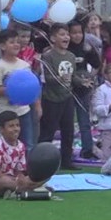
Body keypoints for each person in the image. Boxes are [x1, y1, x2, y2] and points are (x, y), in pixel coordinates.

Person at [0, 29, 40, 151]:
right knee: (8, 145)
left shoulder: (24, 65)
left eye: (17, 42)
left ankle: (26, 169)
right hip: (6, 112)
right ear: (2, 46)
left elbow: (32, 87)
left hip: (23, 111)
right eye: (12, 42)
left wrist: (38, 105)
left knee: (28, 145)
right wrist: (13, 90)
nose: (16, 44)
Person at [38, 23, 78, 169]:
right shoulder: (48, 56)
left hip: (67, 97)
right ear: (53, 38)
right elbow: (47, 78)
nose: (66, 37)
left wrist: (82, 81)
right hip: (51, 99)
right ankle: (42, 161)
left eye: (67, 34)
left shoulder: (71, 56)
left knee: (68, 131)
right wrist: (59, 79)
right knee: (48, 132)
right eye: (62, 34)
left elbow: (73, 77)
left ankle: (66, 161)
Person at [0, 110, 48, 198]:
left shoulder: (21, 146)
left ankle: (18, 189)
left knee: (43, 176)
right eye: (11, 126)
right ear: (1, 129)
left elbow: (19, 170)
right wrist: (16, 180)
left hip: (14, 180)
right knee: (4, 181)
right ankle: (28, 188)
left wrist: (20, 178)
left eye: (17, 125)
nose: (16, 129)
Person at [66, 19, 101, 161]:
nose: (76, 36)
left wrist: (90, 77)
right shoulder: (63, 48)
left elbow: (97, 64)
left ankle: (87, 149)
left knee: (84, 120)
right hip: (66, 89)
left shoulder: (86, 47)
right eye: (73, 33)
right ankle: (66, 151)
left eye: (79, 32)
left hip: (83, 89)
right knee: (67, 121)